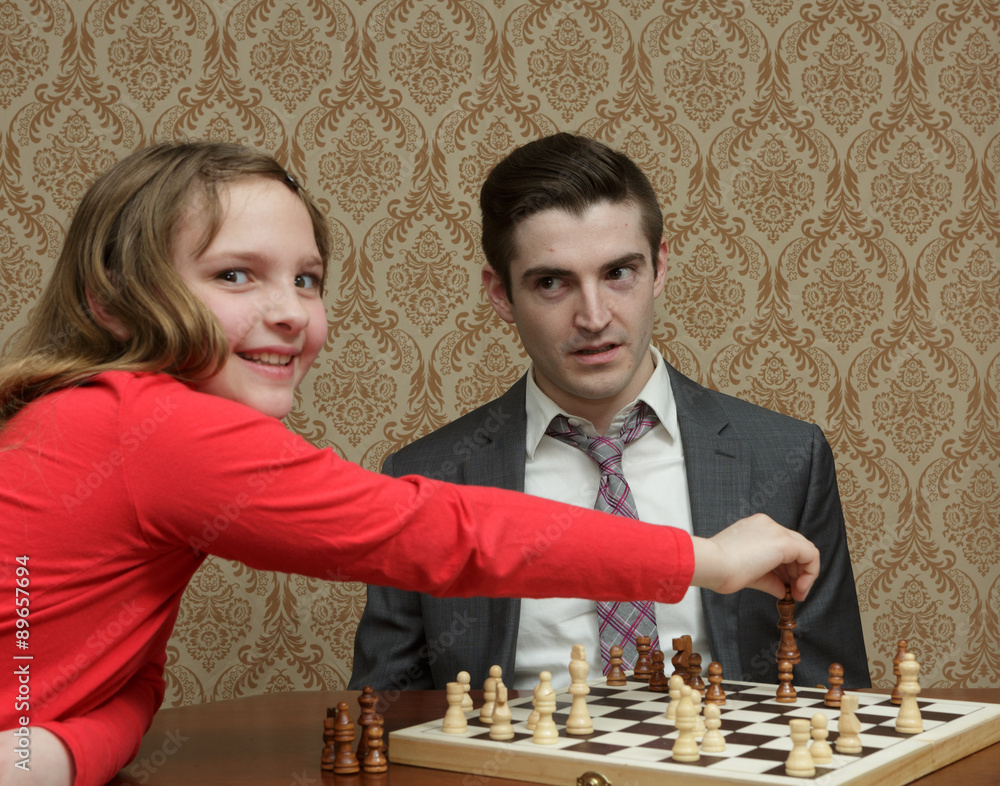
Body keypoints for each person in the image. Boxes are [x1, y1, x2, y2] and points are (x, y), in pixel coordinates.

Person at [0, 141, 820, 786]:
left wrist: (52, 752)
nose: (289, 312)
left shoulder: (98, 423)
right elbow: (437, 530)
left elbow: (126, 687)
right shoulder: (158, 429)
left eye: (308, 278)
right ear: (112, 299)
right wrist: (706, 558)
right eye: (235, 275)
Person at [350, 133, 869, 695]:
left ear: (660, 267)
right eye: (552, 283)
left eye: (619, 273)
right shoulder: (426, 477)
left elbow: (832, 698)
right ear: (501, 295)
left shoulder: (788, 457)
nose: (593, 317)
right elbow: (386, 711)